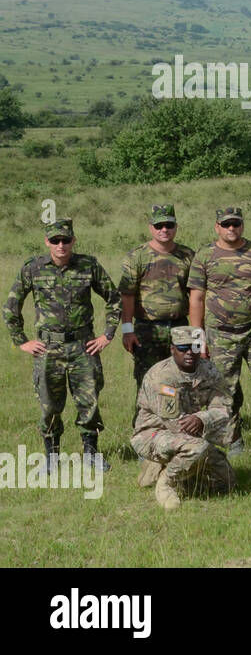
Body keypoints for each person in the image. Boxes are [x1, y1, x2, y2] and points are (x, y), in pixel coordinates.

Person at [5, 218, 120, 473]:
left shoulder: (88, 265)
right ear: (47, 242)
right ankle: (52, 456)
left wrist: (107, 335)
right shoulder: (33, 268)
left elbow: (114, 298)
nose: (60, 246)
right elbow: (11, 306)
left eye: (65, 240)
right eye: (55, 241)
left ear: (73, 241)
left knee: (88, 402)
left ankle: (91, 453)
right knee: (49, 405)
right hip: (48, 349)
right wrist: (21, 341)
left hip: (83, 347)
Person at [188, 206, 251, 451]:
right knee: (223, 389)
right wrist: (198, 336)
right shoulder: (205, 255)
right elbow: (196, 298)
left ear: (242, 225)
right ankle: (233, 440)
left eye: (236, 224)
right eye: (226, 224)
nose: (232, 228)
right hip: (219, 333)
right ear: (217, 227)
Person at [132, 326, 235, 511]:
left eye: (195, 347)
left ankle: (161, 468)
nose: (189, 352)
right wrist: (204, 437)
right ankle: (166, 483)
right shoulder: (162, 376)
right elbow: (175, 424)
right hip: (154, 434)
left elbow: (224, 407)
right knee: (198, 449)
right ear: (172, 349)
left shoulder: (208, 370)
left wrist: (202, 418)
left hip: (191, 432)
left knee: (226, 482)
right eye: (182, 348)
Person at [119, 204, 194, 398]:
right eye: (159, 226)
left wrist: (196, 330)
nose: (164, 230)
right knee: (147, 380)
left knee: (182, 379)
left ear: (175, 227)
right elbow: (127, 295)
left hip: (179, 327)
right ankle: (145, 425)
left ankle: (178, 424)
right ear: (151, 227)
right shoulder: (137, 256)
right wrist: (127, 331)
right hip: (147, 329)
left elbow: (195, 295)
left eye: (169, 225)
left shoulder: (187, 255)